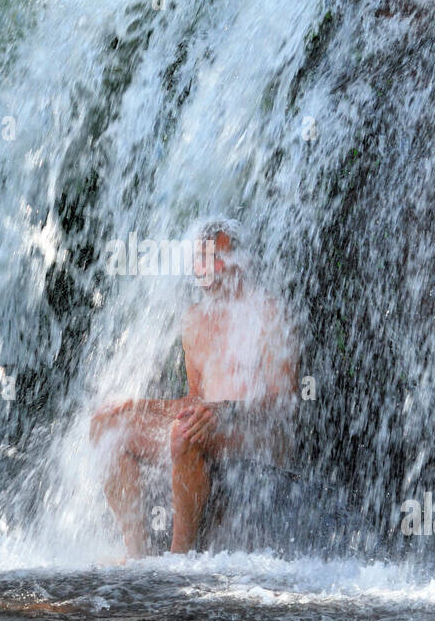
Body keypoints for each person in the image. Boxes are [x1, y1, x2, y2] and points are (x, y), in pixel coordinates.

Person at [90, 218, 298, 556]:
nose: (205, 266)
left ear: (239, 262)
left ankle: (178, 557)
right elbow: (194, 399)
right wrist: (138, 404)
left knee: (184, 433)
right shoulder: (195, 320)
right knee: (106, 423)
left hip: (255, 434)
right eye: (199, 257)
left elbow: (283, 405)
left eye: (214, 255)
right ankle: (137, 554)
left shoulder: (270, 313)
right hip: (204, 426)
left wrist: (224, 410)